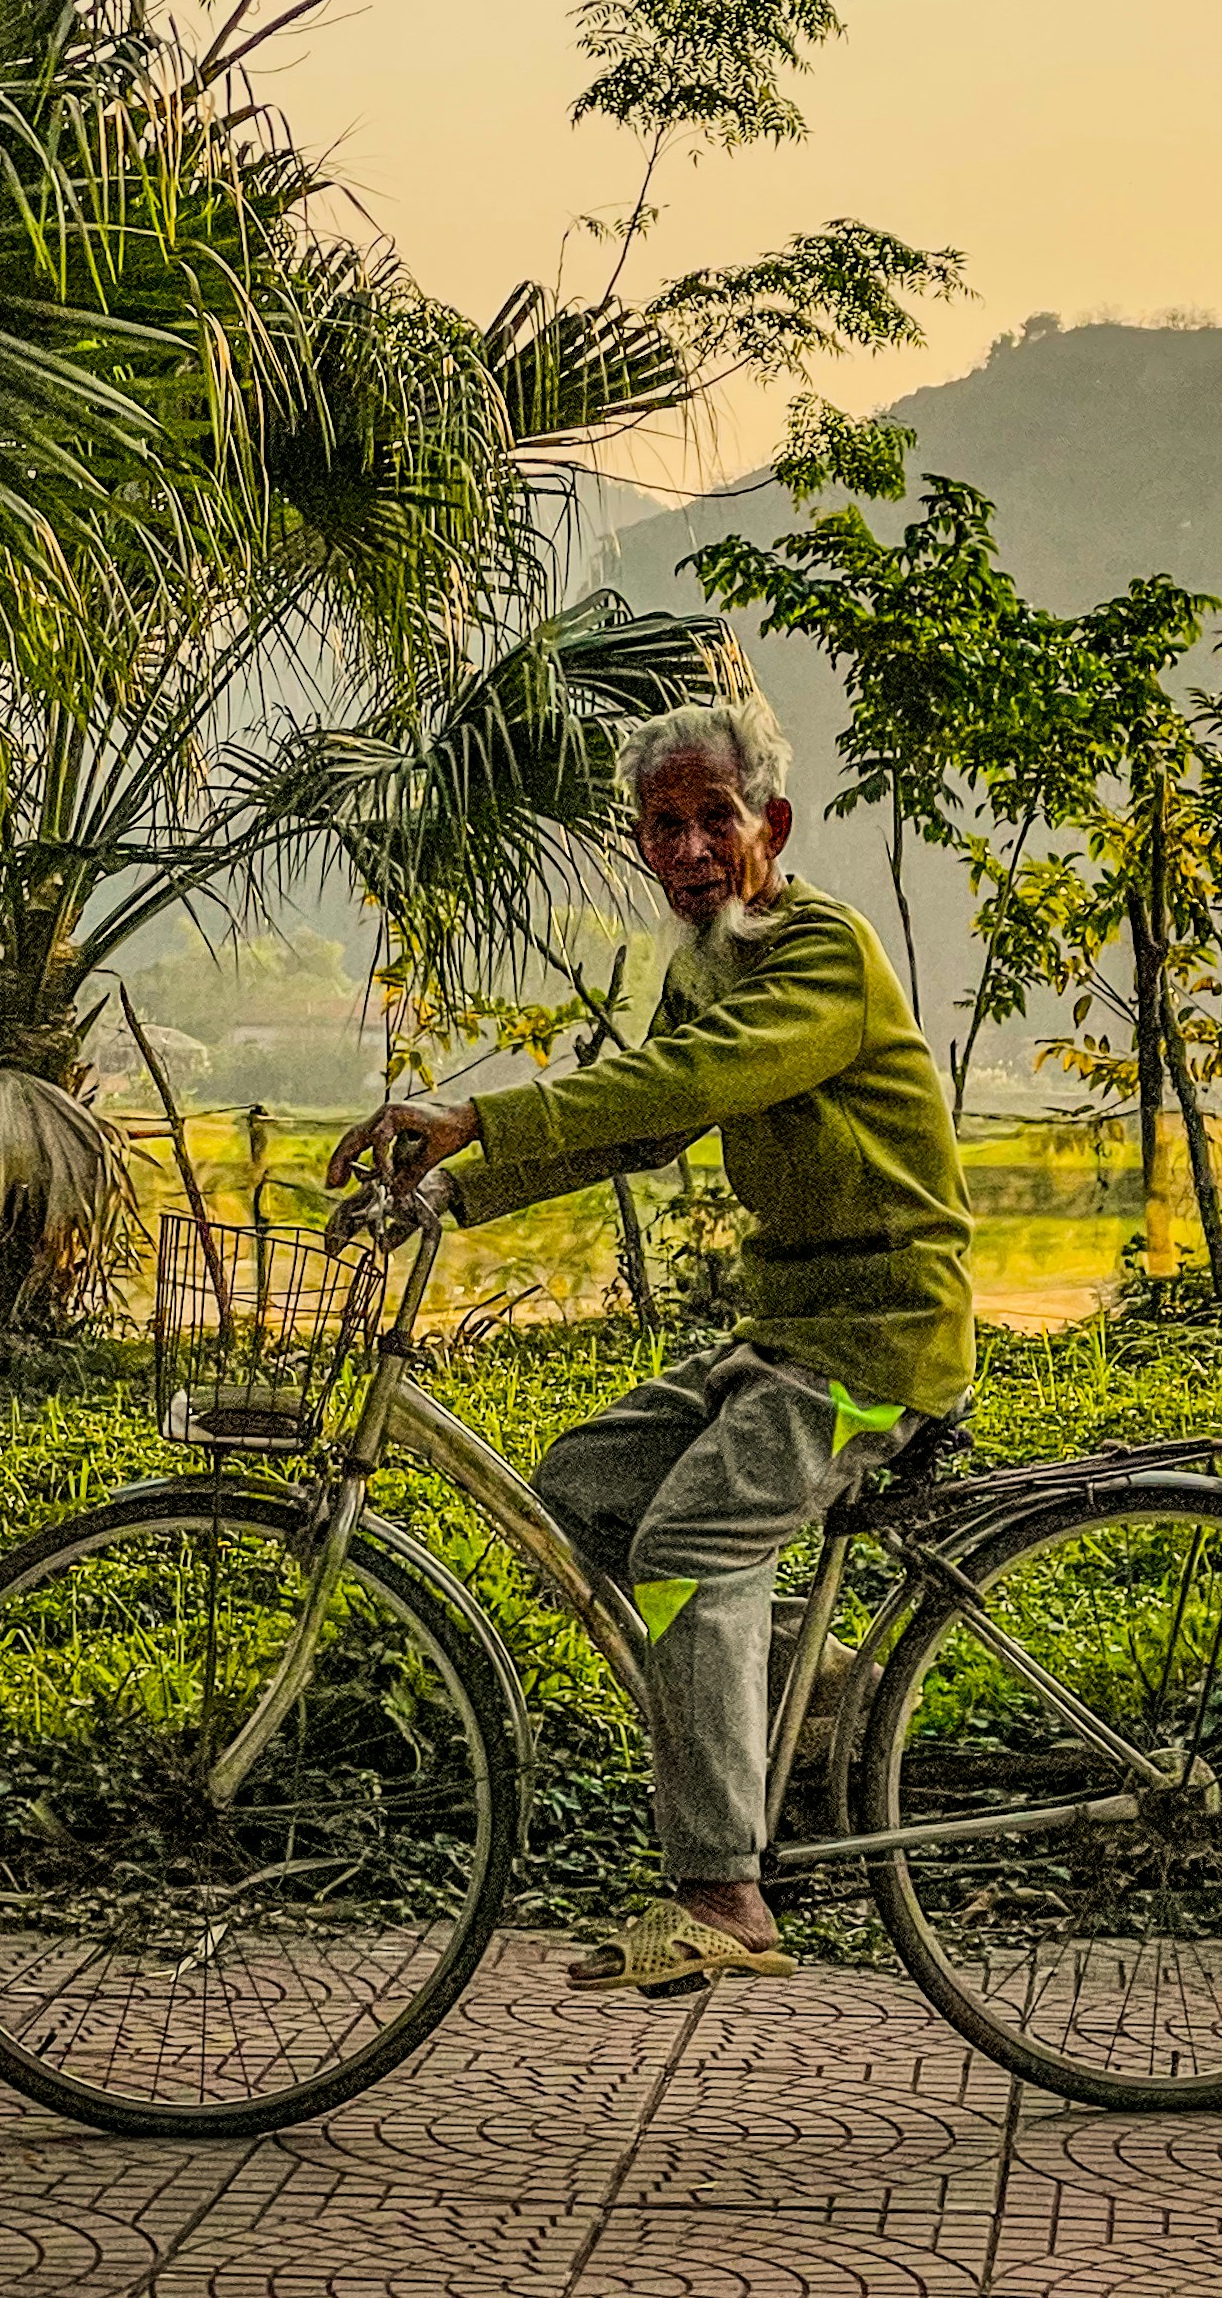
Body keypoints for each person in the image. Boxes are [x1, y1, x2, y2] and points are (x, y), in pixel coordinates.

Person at [325, 691, 975, 1995]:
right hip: (784, 1329)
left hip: (875, 1343)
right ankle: (816, 1682)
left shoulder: (817, 951)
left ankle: (726, 1896)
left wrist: (480, 1118)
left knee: (690, 1542)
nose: (686, 847)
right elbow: (650, 1129)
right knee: (585, 1489)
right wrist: (458, 1188)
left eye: (713, 818)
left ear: (770, 825)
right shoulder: (705, 963)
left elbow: (684, 1085)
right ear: (640, 842)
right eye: (663, 824)